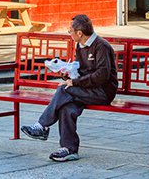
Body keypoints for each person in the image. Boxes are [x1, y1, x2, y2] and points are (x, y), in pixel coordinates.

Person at [20, 14, 117, 162]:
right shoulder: (80, 45)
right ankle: (69, 149)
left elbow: (102, 75)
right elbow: (80, 71)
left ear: (79, 33)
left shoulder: (101, 46)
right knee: (67, 107)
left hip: (102, 92)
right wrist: (67, 75)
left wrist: (74, 83)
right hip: (86, 90)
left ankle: (41, 126)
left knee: (64, 90)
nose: (69, 33)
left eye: (70, 31)